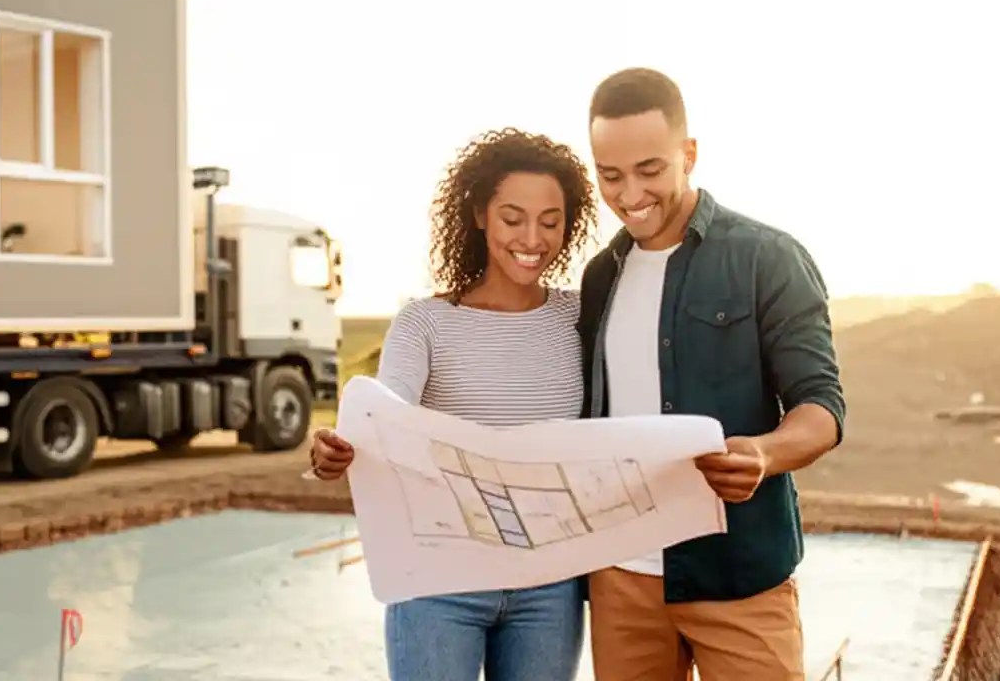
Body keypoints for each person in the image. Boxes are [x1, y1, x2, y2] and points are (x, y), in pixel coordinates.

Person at [577, 67, 846, 680]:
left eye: (650, 170)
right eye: (610, 175)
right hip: (621, 584)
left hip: (741, 580)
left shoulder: (768, 258)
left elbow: (822, 408)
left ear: (688, 154)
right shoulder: (599, 278)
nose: (629, 194)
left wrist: (764, 453)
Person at [308, 127, 599, 681]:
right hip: (438, 583)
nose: (533, 238)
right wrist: (335, 448)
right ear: (479, 213)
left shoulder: (581, 318)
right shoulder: (426, 323)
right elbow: (381, 418)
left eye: (551, 220)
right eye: (513, 218)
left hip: (551, 587)